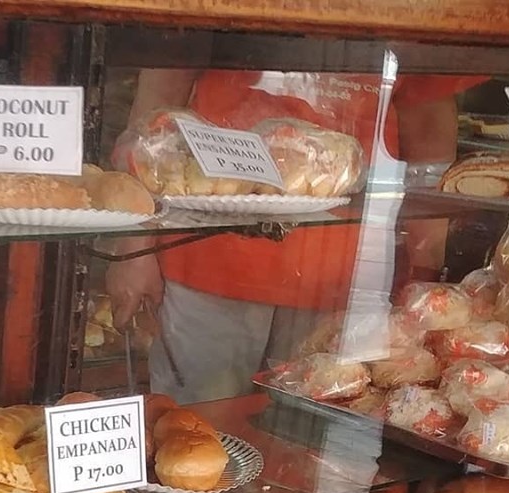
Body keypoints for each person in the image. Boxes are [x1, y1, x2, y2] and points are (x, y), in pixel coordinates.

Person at [107, 67, 484, 403]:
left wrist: (424, 267)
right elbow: (159, 104)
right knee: (198, 436)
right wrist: (134, 243)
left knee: (322, 448)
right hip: (208, 255)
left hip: (347, 275)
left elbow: (428, 124)